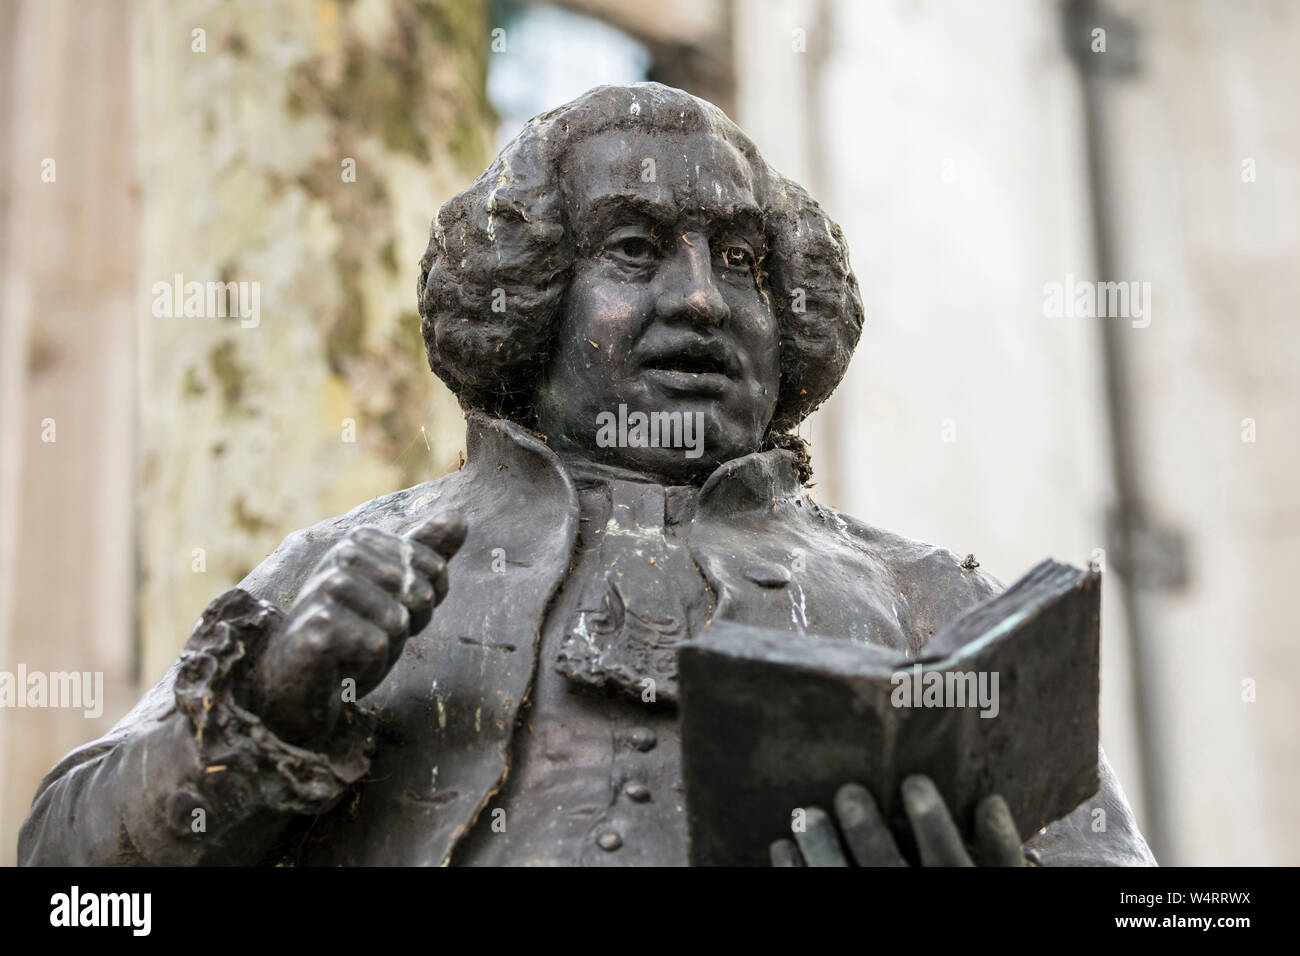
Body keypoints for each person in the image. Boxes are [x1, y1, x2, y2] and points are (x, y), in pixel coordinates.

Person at [19, 83, 1153, 866]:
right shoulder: (344, 567)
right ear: (530, 292)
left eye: (743, 260)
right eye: (633, 248)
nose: (703, 298)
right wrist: (274, 697)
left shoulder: (929, 599)